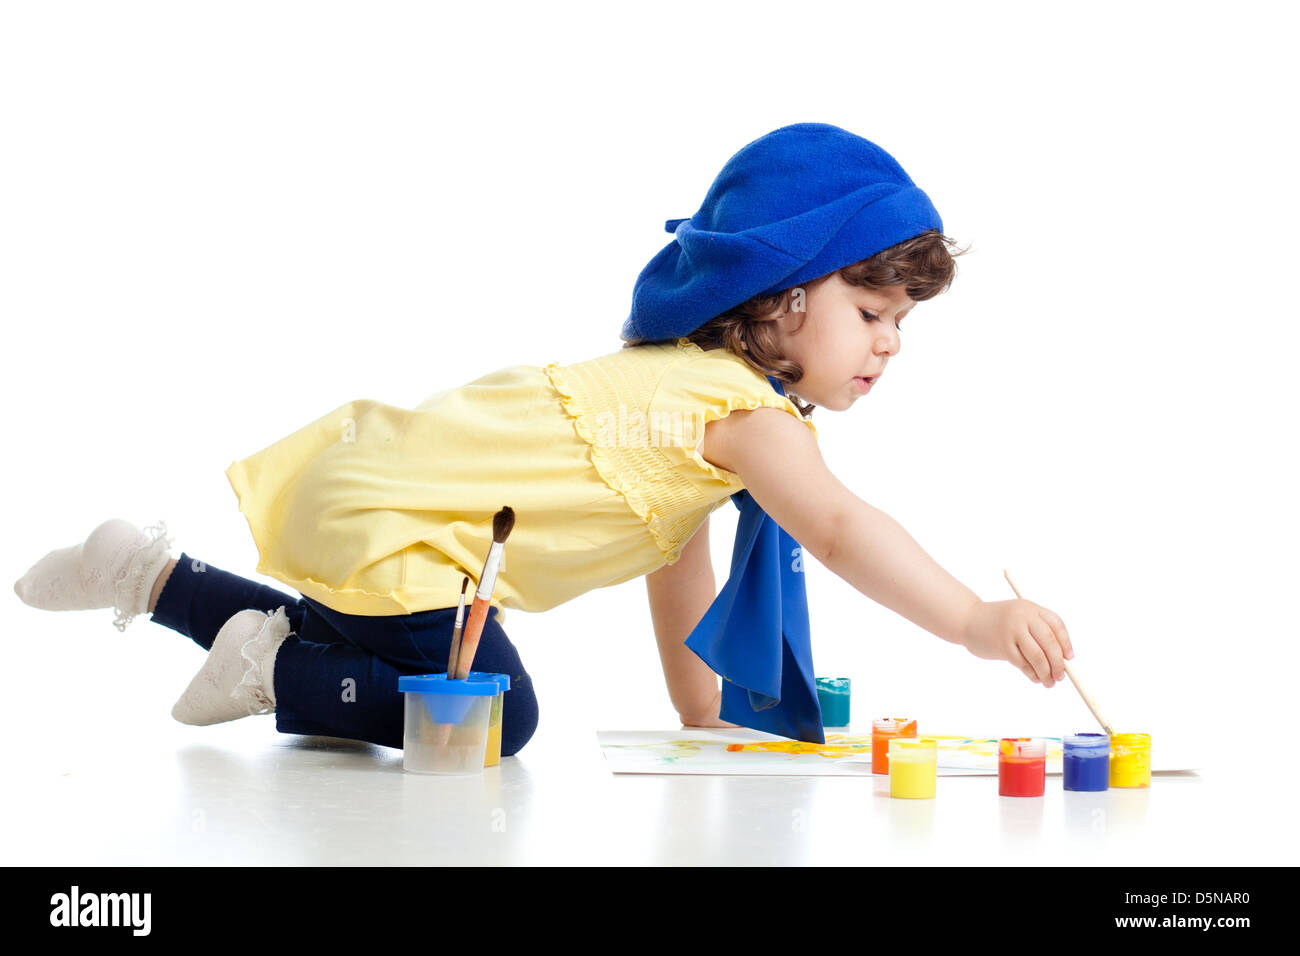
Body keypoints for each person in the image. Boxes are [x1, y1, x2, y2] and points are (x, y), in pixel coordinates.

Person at [13, 122, 1072, 759]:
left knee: (397, 649)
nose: (888, 345)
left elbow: (678, 576)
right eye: (872, 311)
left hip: (383, 499)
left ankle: (153, 576)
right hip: (411, 533)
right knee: (490, 717)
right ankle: (275, 671)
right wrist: (975, 617)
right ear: (788, 297)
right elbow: (839, 528)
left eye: (901, 324)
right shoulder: (746, 419)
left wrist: (702, 712)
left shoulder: (687, 398)